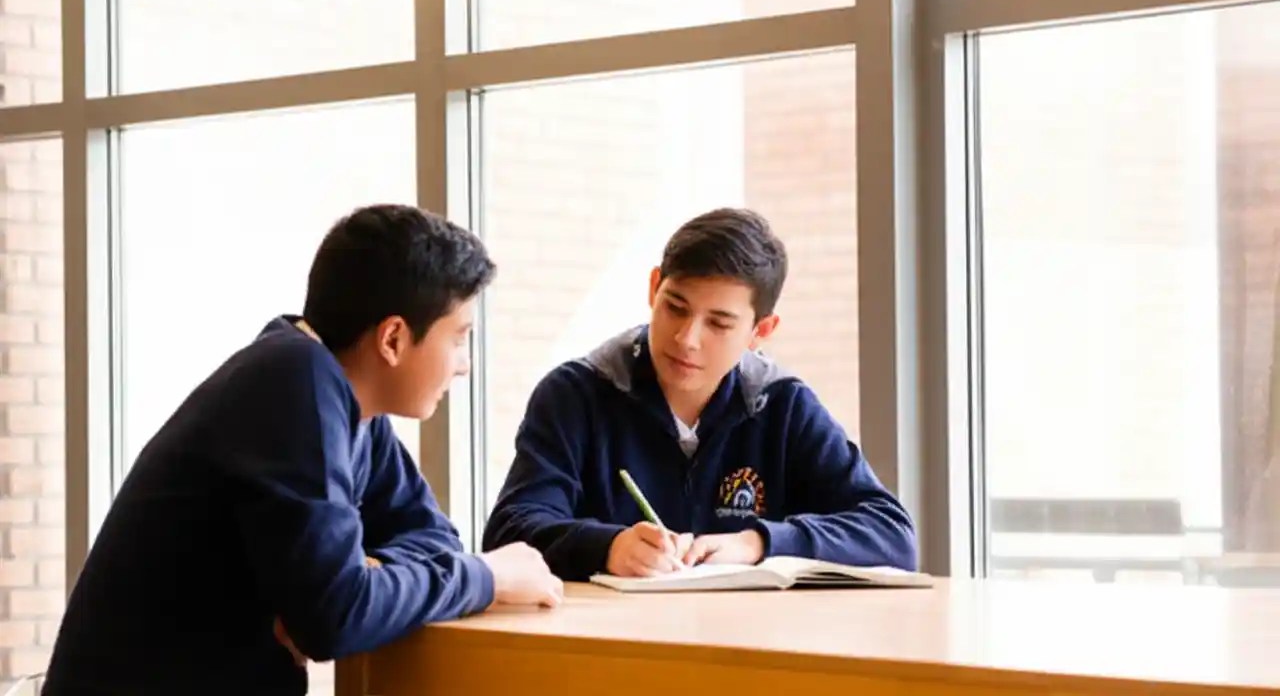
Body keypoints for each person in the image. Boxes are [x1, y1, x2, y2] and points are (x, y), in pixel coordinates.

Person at [42, 205, 562, 696]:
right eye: (459, 338)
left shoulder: (349, 402)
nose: (463, 364)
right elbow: (335, 619)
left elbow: (433, 539)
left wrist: (368, 576)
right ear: (393, 340)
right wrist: (488, 576)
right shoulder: (294, 383)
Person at [482, 207, 917, 582]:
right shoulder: (575, 395)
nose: (687, 339)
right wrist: (608, 547)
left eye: (720, 324)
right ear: (654, 288)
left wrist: (758, 543)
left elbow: (891, 535)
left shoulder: (783, 405)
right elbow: (509, 531)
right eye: (675, 307)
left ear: (760, 332)